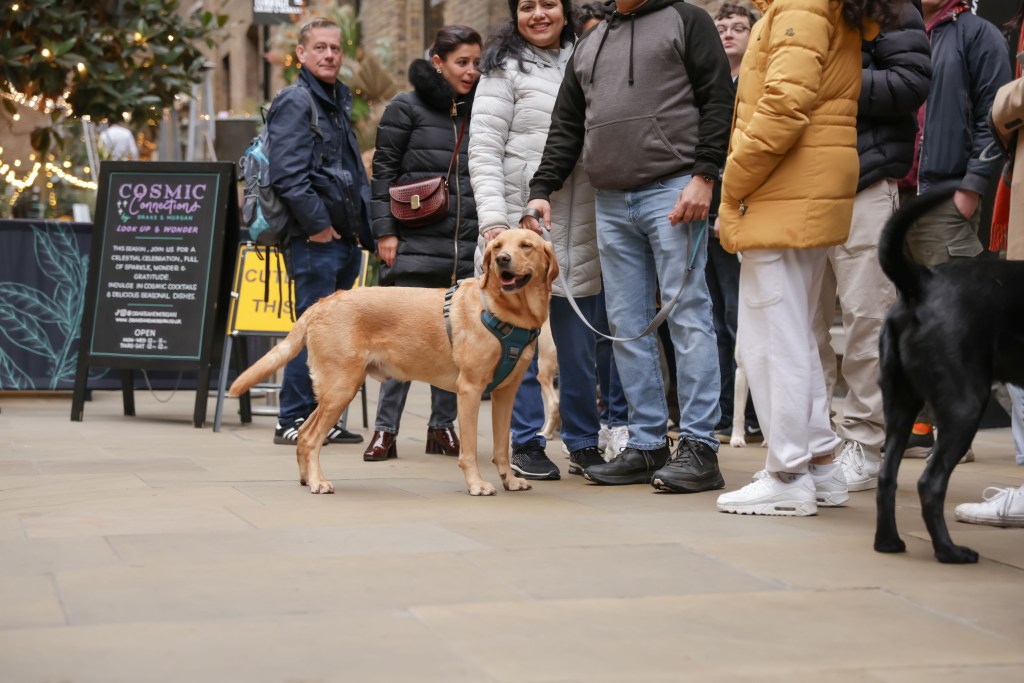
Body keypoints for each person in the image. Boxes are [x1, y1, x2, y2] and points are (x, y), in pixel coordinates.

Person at [524, 0, 733, 492]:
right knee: (625, 326)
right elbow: (568, 126)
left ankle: (700, 446)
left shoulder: (687, 20)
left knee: (688, 315)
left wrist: (705, 175)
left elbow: (718, 99)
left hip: (674, 189)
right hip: (612, 200)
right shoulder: (591, 43)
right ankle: (647, 444)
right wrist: (540, 189)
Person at [716, 0, 905, 516]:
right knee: (793, 331)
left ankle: (788, 474)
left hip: (782, 188)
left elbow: (783, 104)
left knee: (772, 339)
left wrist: (732, 182)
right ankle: (818, 464)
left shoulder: (801, 2)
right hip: (799, 187)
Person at [470, 0, 609, 480]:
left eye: (548, 3)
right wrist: (493, 221)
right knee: (513, 348)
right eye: (526, 6)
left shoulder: (590, 55)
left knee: (577, 347)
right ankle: (524, 442)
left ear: (566, 10)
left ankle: (584, 440)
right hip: (516, 227)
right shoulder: (502, 68)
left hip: (583, 221)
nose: (538, 14)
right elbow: (484, 148)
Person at [815, 0, 931, 492]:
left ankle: (863, 441)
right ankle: (812, 444)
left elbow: (909, 85)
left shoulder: (891, 8)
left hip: (864, 182)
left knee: (867, 318)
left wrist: (824, 82)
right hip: (800, 189)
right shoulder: (794, 10)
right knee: (802, 326)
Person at [363, 25, 483, 462]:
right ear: (438, 62)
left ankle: (441, 428)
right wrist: (385, 232)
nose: (471, 71)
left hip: (463, 246)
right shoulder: (405, 107)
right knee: (400, 339)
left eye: (475, 62)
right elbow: (383, 174)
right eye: (461, 62)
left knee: (454, 343)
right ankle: (384, 431)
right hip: (412, 241)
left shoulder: (481, 111)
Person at [898, 0, 1012, 458]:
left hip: (947, 196)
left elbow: (998, 113)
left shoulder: (976, 33)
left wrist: (973, 185)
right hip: (898, 195)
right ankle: (923, 424)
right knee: (914, 318)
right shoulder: (899, 30)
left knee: (957, 320)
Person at [268, 17, 372, 447]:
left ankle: (323, 417)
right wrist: (320, 228)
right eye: (320, 48)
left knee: (335, 339)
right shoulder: (296, 101)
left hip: (342, 241)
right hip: (317, 242)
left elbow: (346, 174)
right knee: (312, 332)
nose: (330, 55)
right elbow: (288, 176)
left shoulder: (334, 100)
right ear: (302, 54)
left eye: (335, 48)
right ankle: (291, 420)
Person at [707, 2, 761, 445]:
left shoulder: (755, 84)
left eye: (738, 28)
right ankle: (724, 414)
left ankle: (752, 416)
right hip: (703, 215)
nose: (728, 34)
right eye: (721, 28)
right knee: (712, 318)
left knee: (736, 317)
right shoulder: (709, 85)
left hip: (740, 214)